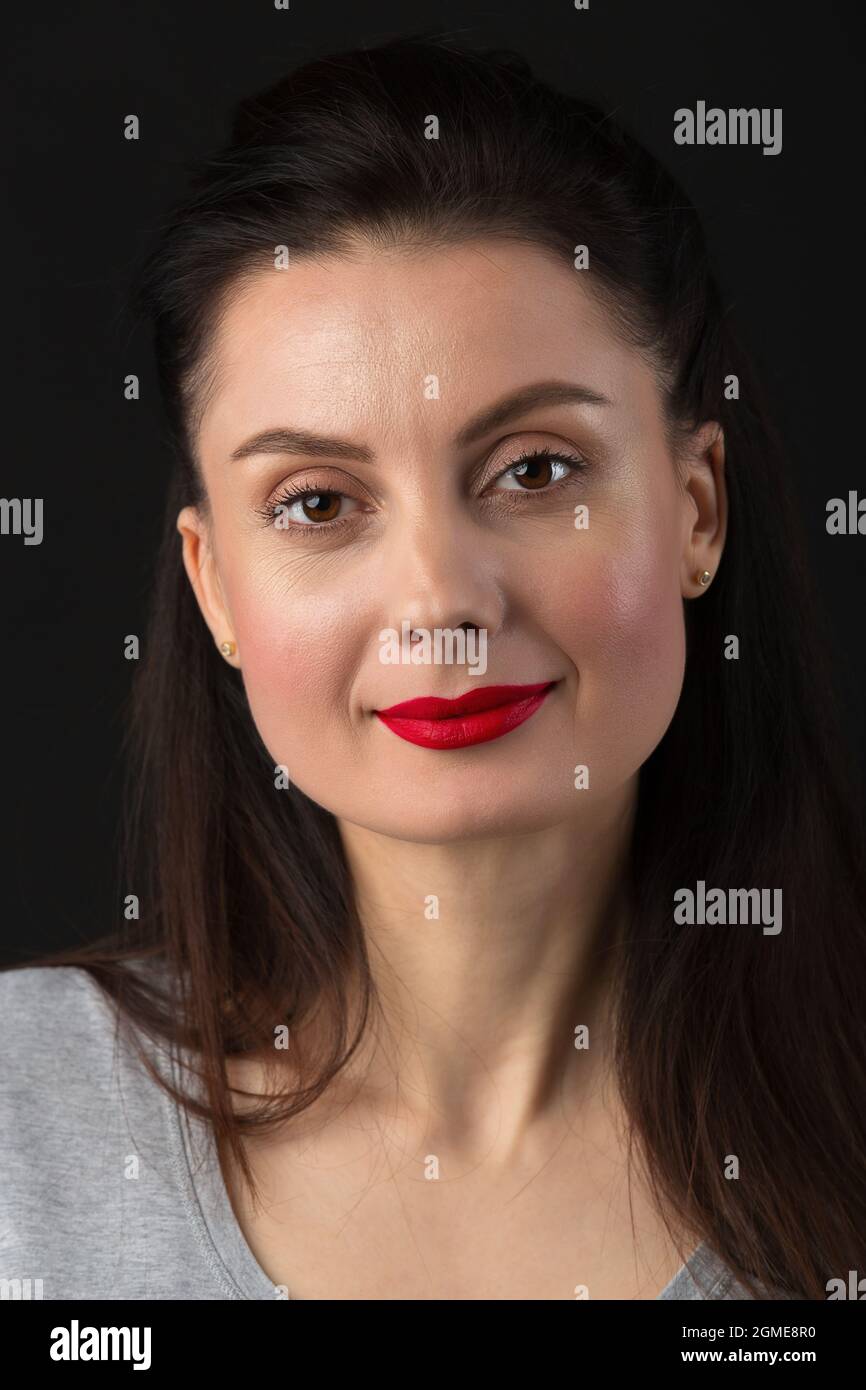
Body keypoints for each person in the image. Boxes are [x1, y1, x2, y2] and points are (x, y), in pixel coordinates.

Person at [2, 33, 864, 1302]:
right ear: (215, 588)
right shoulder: (22, 1128)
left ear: (695, 512)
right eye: (316, 501)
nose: (439, 603)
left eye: (532, 471)